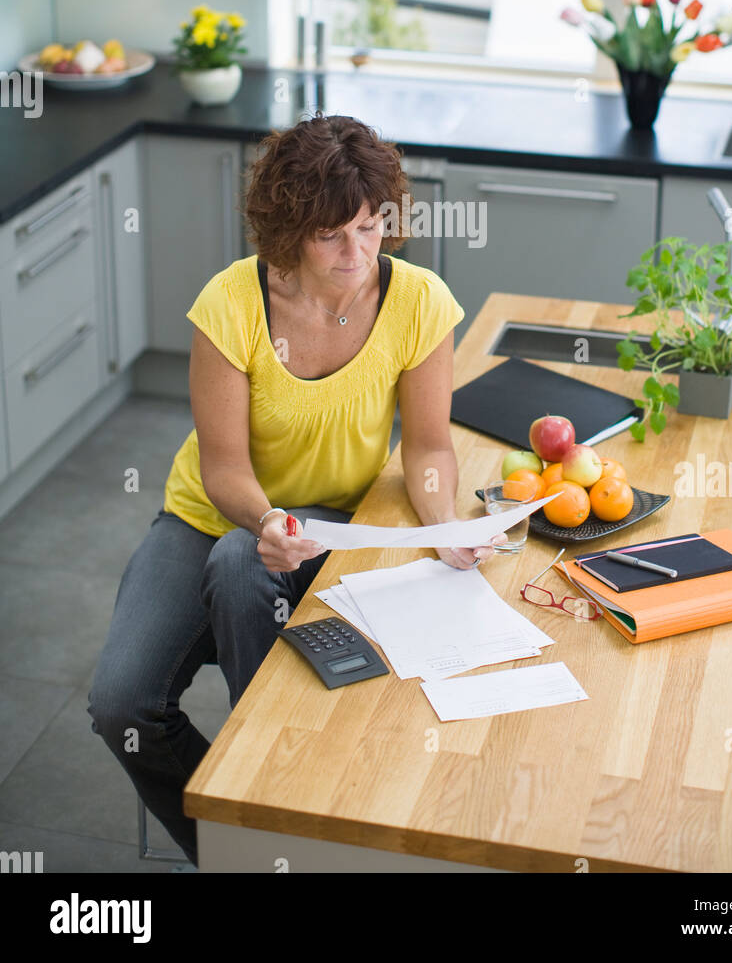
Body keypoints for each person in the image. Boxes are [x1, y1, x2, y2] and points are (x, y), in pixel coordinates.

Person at [87, 112, 503, 867]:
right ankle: (240, 850)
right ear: (287, 231)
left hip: (342, 522)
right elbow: (223, 471)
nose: (358, 254)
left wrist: (443, 521)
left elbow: (431, 444)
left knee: (243, 571)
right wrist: (264, 520)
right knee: (122, 707)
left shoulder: (419, 302)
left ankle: (285, 789)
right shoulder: (231, 304)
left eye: (370, 227)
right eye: (330, 236)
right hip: (213, 513)